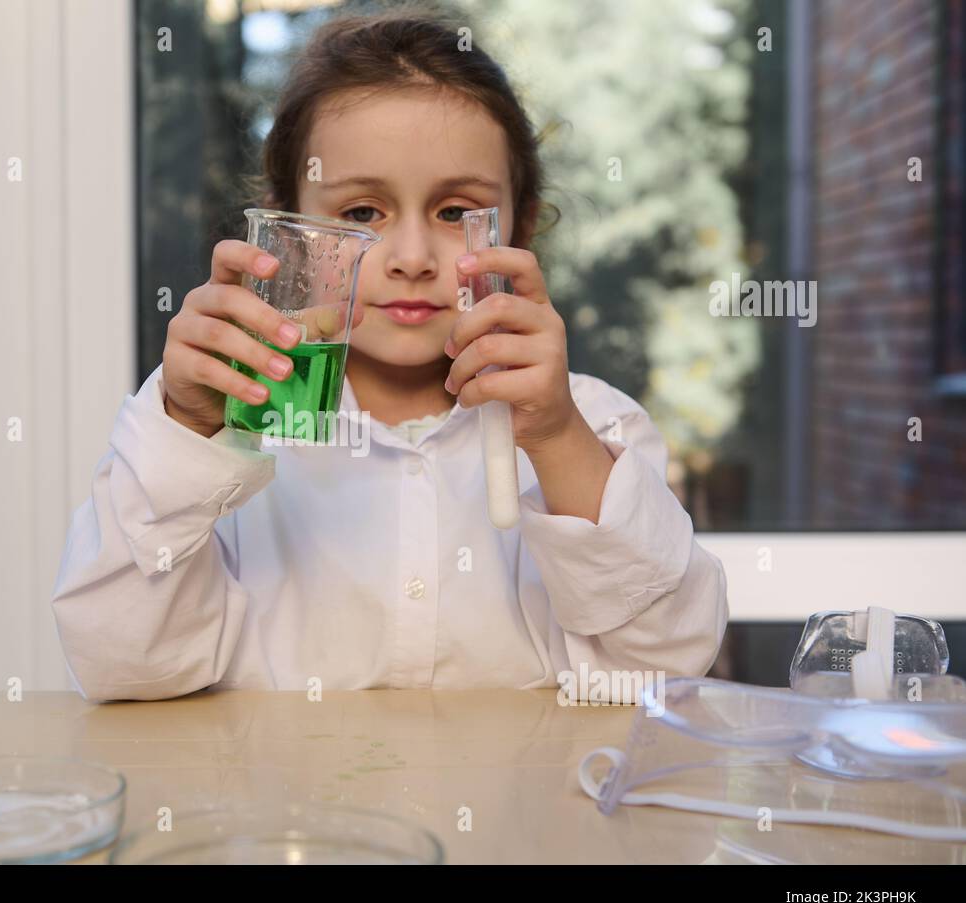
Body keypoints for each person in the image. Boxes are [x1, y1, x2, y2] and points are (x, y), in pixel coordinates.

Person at [51, 8, 728, 702]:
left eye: (455, 211)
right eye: (361, 214)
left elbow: (670, 664)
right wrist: (185, 431)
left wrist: (555, 439)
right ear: (288, 229)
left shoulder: (595, 427)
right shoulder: (225, 435)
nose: (409, 258)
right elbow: (119, 665)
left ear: (520, 228)